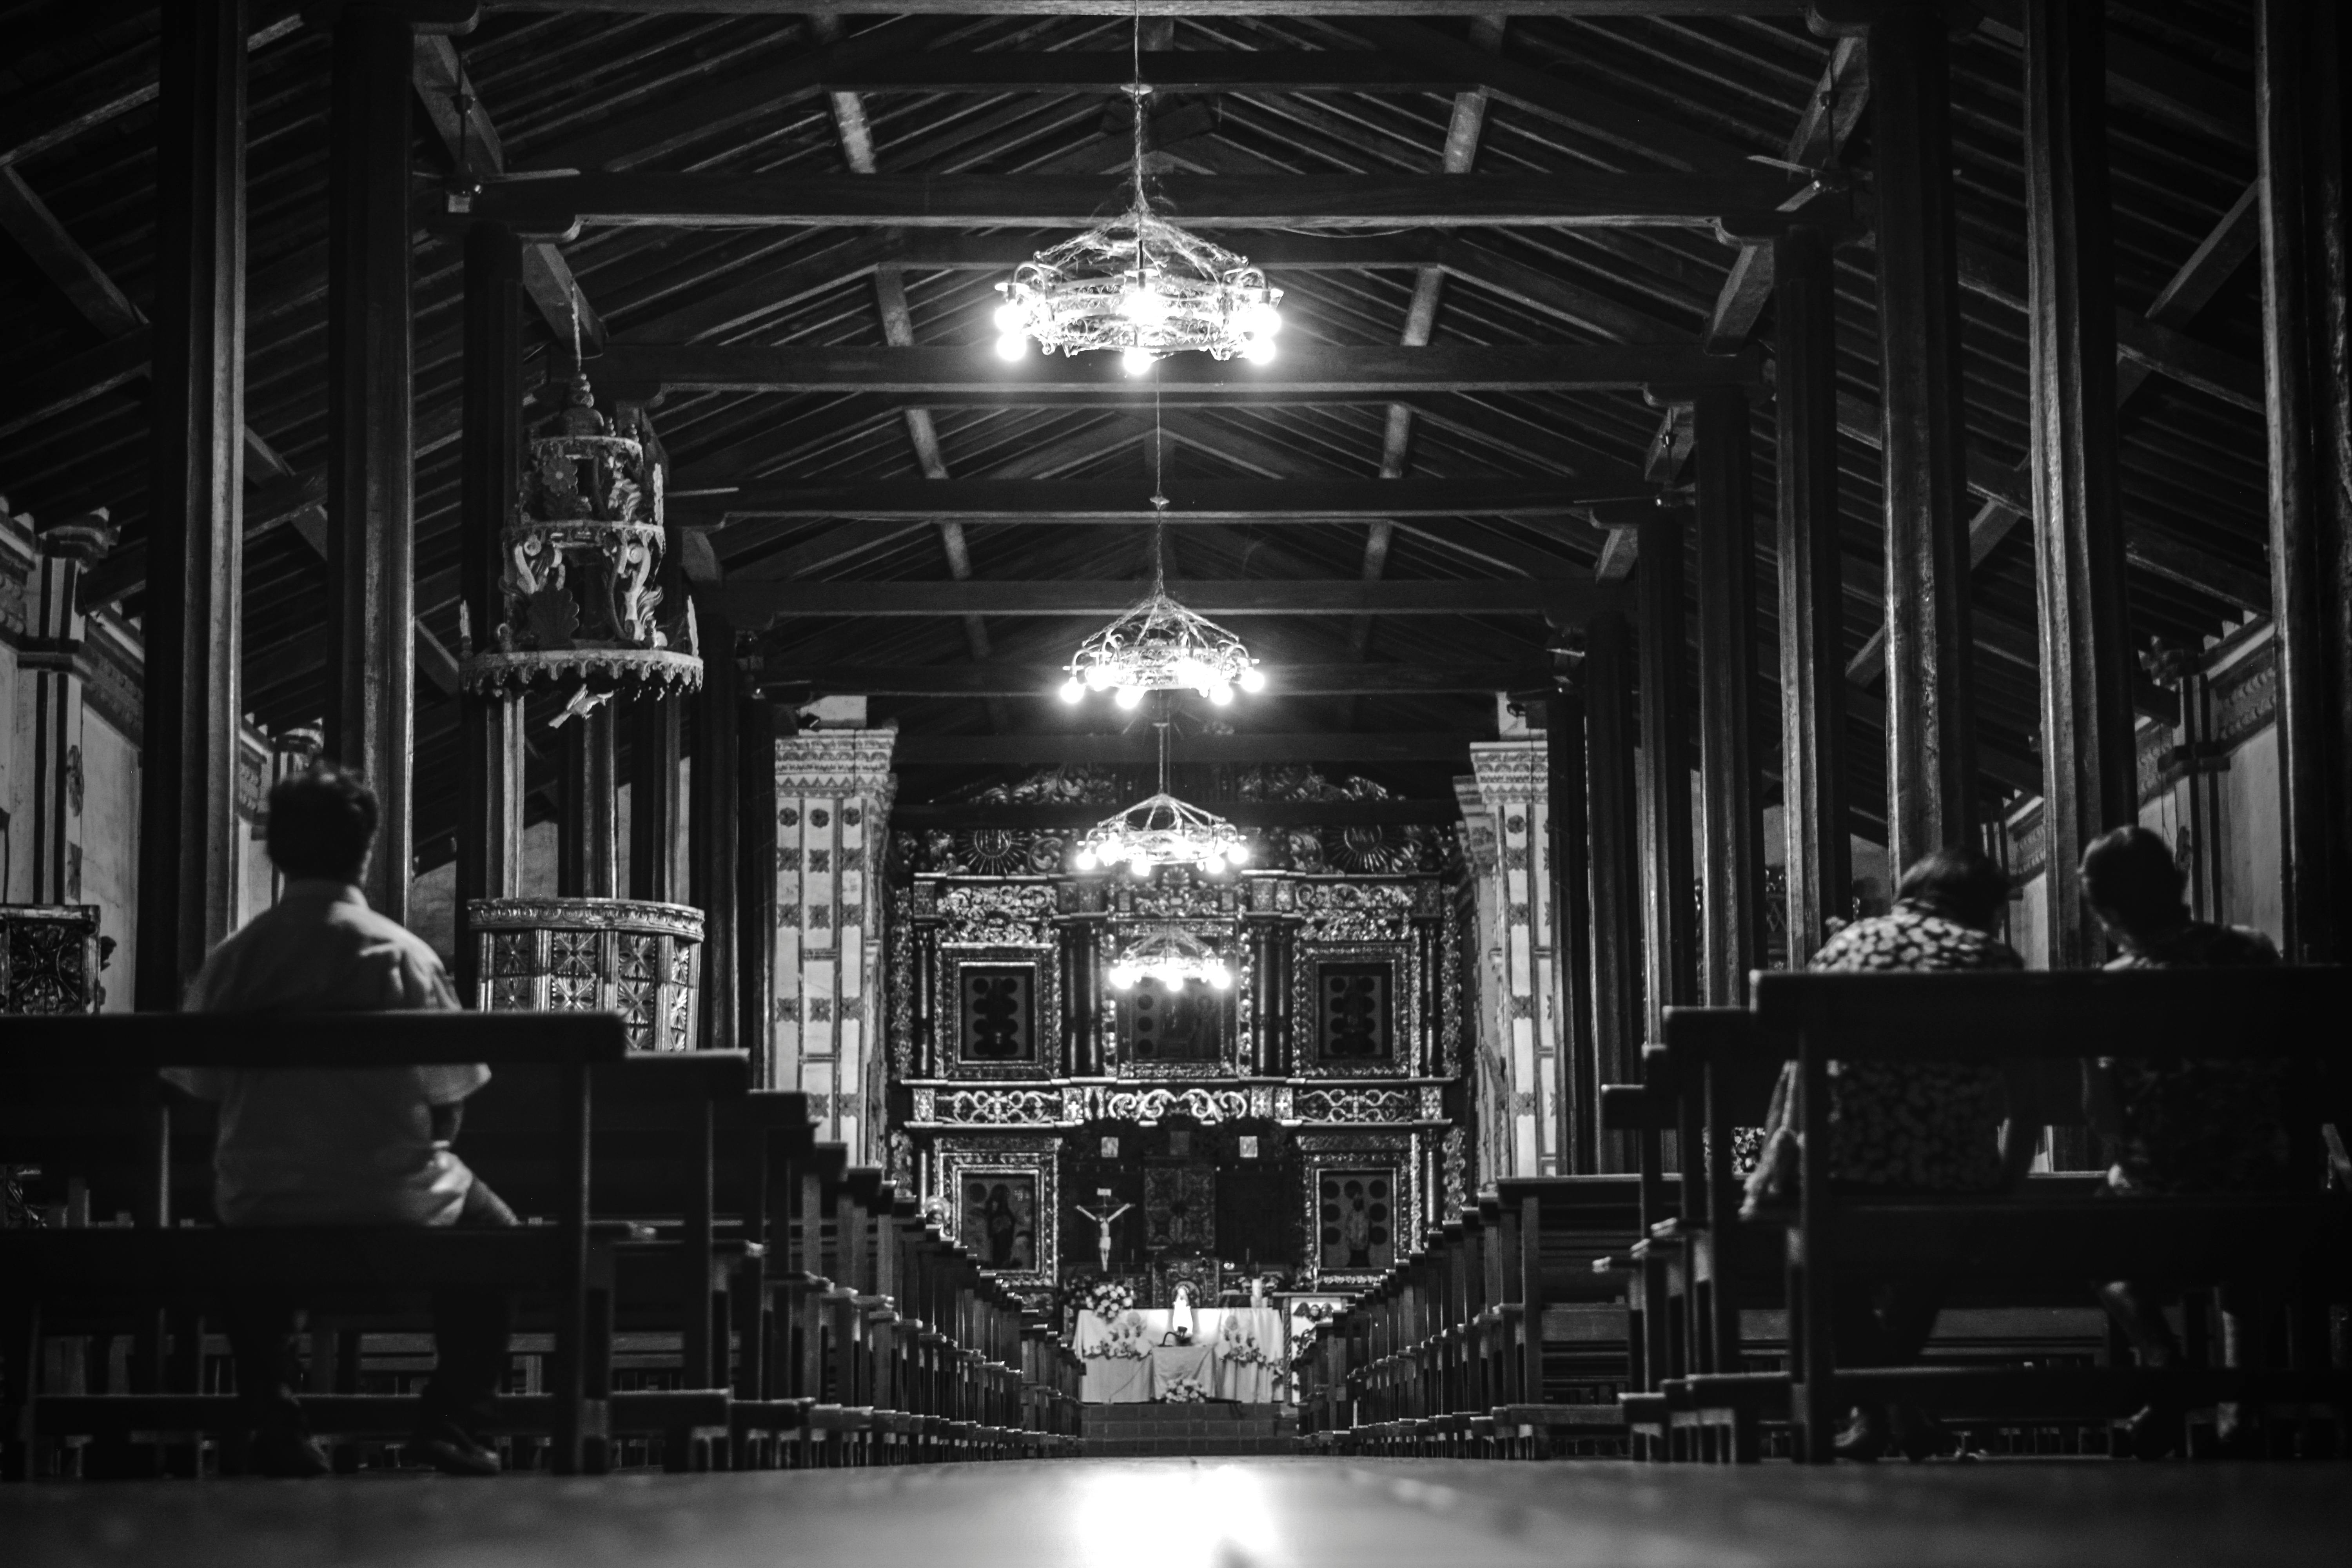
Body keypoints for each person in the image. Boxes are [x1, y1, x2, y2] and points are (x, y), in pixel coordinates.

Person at [166, 763, 510, 1478]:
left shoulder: (236, 961)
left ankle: (274, 1415)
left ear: (277, 852)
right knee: (500, 1239)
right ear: (366, 849)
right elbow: (451, 1099)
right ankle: (451, 1419)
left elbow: (200, 1090)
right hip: (398, 1197)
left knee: (241, 1214)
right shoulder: (402, 955)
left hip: (263, 1199)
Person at [1742, 845, 2040, 1461]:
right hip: (1953, 1173)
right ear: (1982, 910)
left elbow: (1799, 1073)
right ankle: (1894, 1411)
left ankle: (1881, 1411)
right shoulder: (1990, 958)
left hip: (1842, 1170)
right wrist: (2006, 1181)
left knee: (1822, 1252)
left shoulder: (1847, 949)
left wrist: (1782, 1157)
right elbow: (2028, 1083)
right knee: (1939, 1243)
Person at [2077, 824, 2288, 1457]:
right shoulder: (2252, 952)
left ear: (2109, 913)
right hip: (2263, 1176)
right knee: (2244, 1250)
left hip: (2160, 1189)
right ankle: (2241, 1407)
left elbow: (2108, 1123)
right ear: (2178, 885)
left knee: (2090, 1244)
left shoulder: (2115, 985)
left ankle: (2165, 1362)